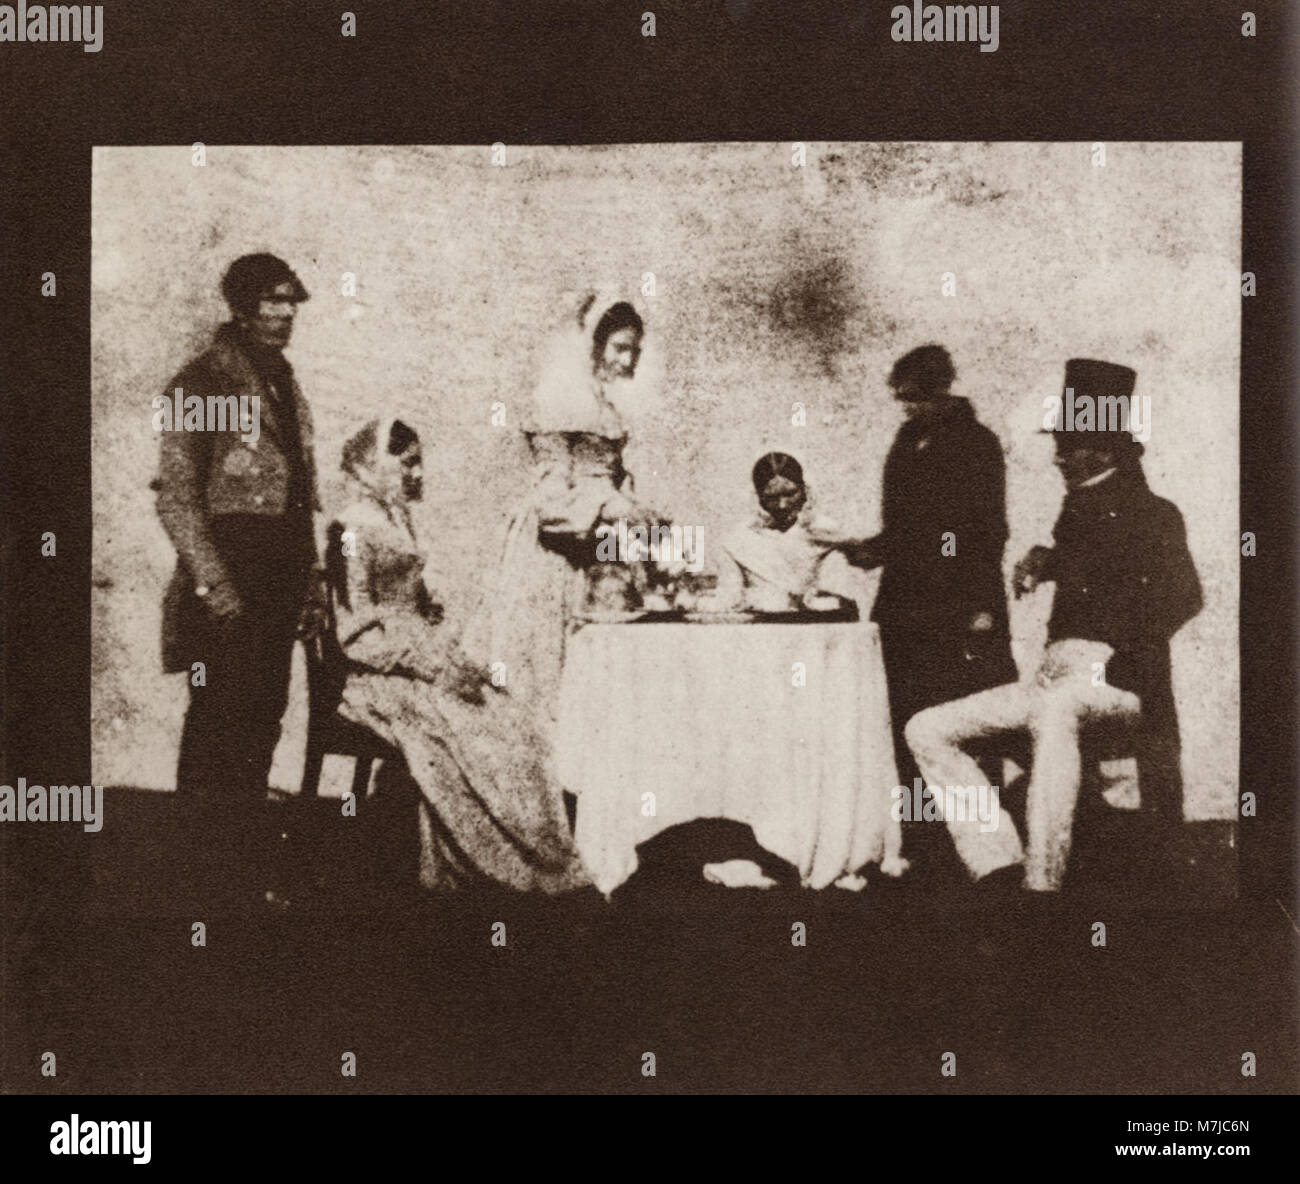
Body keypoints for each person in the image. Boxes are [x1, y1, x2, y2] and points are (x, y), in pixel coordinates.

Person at [903, 359, 1202, 892]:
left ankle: (1043, 882)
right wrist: (1046, 559)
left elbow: (1183, 596)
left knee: (1057, 711)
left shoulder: (1156, 513)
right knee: (926, 728)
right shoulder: (1079, 511)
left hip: (1122, 684)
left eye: (1069, 445)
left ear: (1105, 451)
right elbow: (1090, 559)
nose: (1058, 457)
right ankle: (997, 861)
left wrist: (1110, 649)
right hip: (1055, 681)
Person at [330, 417, 589, 893]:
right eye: (405, 465)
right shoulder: (351, 528)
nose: (416, 475)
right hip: (375, 676)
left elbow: (408, 602)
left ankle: (540, 852)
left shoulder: (392, 517)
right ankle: (500, 864)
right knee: (468, 727)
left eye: (418, 464)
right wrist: (430, 666)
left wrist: (433, 626)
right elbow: (355, 634)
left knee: (509, 714)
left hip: (416, 661)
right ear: (373, 465)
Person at [155, 252, 325, 911]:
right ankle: (194, 883)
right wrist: (216, 587)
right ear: (240, 305)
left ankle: (243, 877)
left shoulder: (285, 380)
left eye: (292, 301)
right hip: (228, 582)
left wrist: (309, 581)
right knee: (216, 723)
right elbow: (176, 499)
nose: (284, 313)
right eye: (271, 301)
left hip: (280, 580)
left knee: (263, 719)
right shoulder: (201, 384)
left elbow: (301, 493)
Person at [843, 344, 1017, 882]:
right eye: (902, 401)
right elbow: (906, 530)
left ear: (940, 389)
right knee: (904, 720)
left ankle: (984, 855)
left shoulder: (978, 443)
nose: (906, 409)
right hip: (905, 608)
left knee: (963, 724)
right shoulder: (905, 442)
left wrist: (982, 611)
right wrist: (873, 549)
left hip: (959, 608)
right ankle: (922, 845)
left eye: (914, 399)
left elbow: (988, 532)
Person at [458, 293, 656, 763]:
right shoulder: (561, 398)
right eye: (619, 348)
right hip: (554, 554)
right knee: (544, 674)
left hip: (597, 547)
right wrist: (614, 510)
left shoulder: (601, 402)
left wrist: (632, 510)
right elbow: (551, 504)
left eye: (634, 350)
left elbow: (608, 481)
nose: (627, 360)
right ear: (594, 345)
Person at [715, 451, 853, 613]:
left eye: (790, 494)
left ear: (804, 490)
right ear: (759, 497)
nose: (782, 505)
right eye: (772, 497)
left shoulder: (827, 533)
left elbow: (838, 595)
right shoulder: (737, 540)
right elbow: (730, 597)